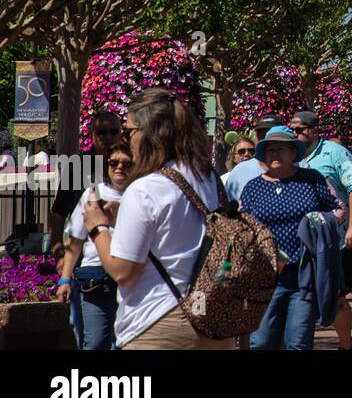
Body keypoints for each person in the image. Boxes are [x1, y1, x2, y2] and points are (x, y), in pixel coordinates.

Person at [78, 88, 234, 350]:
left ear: (149, 132)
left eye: (128, 131)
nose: (127, 140)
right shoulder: (209, 179)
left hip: (160, 324)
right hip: (211, 318)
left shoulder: (146, 188)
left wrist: (97, 227)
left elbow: (123, 271)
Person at [239, 126, 341, 350]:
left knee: (298, 342)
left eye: (281, 149)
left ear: (294, 153)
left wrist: (318, 221)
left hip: (303, 275)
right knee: (262, 342)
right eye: (270, 149)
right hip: (265, 276)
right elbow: (242, 226)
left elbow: (338, 210)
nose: (275, 153)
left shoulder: (311, 179)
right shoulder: (253, 187)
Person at [49, 110, 124, 347]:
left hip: (122, 258)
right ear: (92, 136)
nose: (108, 136)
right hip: (84, 257)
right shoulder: (78, 166)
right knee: (87, 332)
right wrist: (59, 251)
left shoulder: (130, 167)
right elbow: (59, 212)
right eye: (102, 131)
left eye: (114, 131)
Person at [291, 110, 352, 351]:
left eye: (300, 129)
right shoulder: (292, 155)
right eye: (293, 129)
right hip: (302, 242)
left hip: (336, 240)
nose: (296, 133)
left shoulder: (336, 153)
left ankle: (346, 345)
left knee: (337, 298)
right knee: (303, 297)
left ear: (314, 129)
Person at [57, 141, 133, 349]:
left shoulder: (140, 194)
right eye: (114, 162)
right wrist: (65, 279)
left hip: (129, 277)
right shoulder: (93, 194)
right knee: (96, 342)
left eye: (127, 164)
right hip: (96, 276)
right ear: (106, 165)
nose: (119, 167)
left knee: (123, 342)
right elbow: (75, 240)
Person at [223, 115, 282, 201]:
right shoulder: (238, 172)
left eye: (271, 133)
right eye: (262, 134)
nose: (266, 138)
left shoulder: (301, 167)